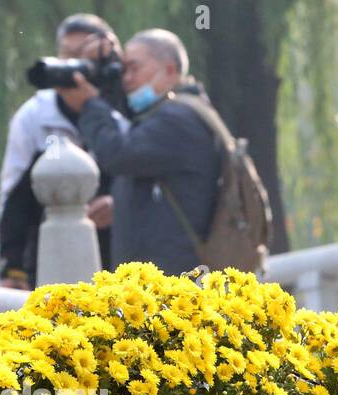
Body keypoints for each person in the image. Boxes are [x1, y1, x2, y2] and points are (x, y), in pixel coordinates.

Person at [55, 29, 221, 276]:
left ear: (170, 70)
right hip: (171, 278)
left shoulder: (177, 119)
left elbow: (117, 154)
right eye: (123, 71)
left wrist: (90, 105)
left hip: (175, 286)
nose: (127, 79)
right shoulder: (176, 113)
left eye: (134, 68)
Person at [0, 13, 126, 289]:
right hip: (47, 255)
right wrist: (12, 265)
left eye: (82, 57)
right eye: (65, 56)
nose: (71, 68)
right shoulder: (34, 116)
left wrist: (120, 203)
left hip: (119, 261)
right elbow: (13, 196)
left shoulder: (124, 109)